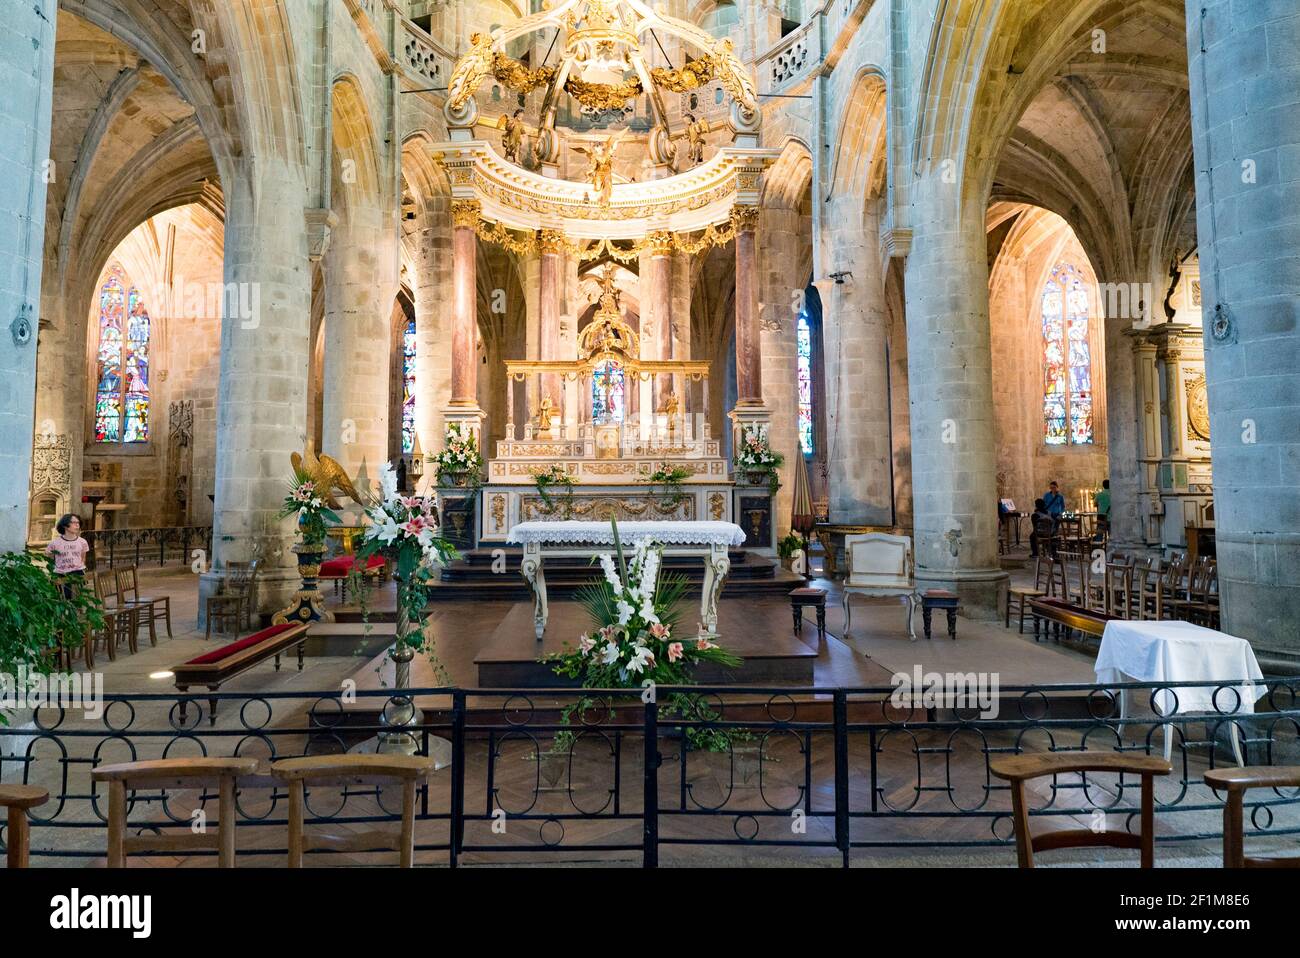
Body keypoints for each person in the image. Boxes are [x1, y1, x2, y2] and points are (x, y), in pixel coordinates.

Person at [46, 513, 90, 595]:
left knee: (77, 602)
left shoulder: (82, 542)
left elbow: (83, 559)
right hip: (60, 575)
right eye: (74, 523)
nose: (77, 525)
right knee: (61, 601)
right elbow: (50, 559)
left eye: (78, 523)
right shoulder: (54, 543)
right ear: (65, 525)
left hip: (77, 574)